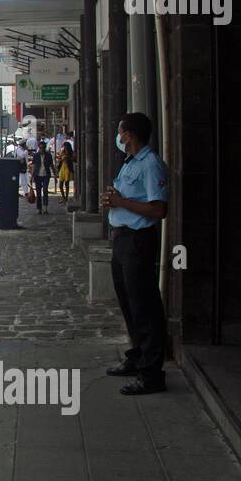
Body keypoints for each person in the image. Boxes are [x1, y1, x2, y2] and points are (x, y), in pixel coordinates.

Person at [101, 112, 170, 396]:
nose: (118, 137)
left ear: (129, 134)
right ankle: (138, 356)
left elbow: (158, 209)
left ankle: (152, 373)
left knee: (144, 306)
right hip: (121, 239)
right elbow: (127, 198)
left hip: (138, 241)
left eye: (120, 132)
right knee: (129, 303)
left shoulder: (150, 165)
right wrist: (113, 200)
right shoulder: (130, 163)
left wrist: (121, 202)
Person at [32, 139, 54, 213]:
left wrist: (55, 174)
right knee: (38, 192)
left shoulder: (48, 155)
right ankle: (39, 208)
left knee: (45, 190)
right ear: (39, 148)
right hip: (37, 175)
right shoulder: (36, 155)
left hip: (46, 175)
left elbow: (51, 165)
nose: (41, 149)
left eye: (43, 148)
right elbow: (34, 166)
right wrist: (32, 176)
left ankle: (45, 207)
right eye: (40, 148)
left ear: (45, 148)